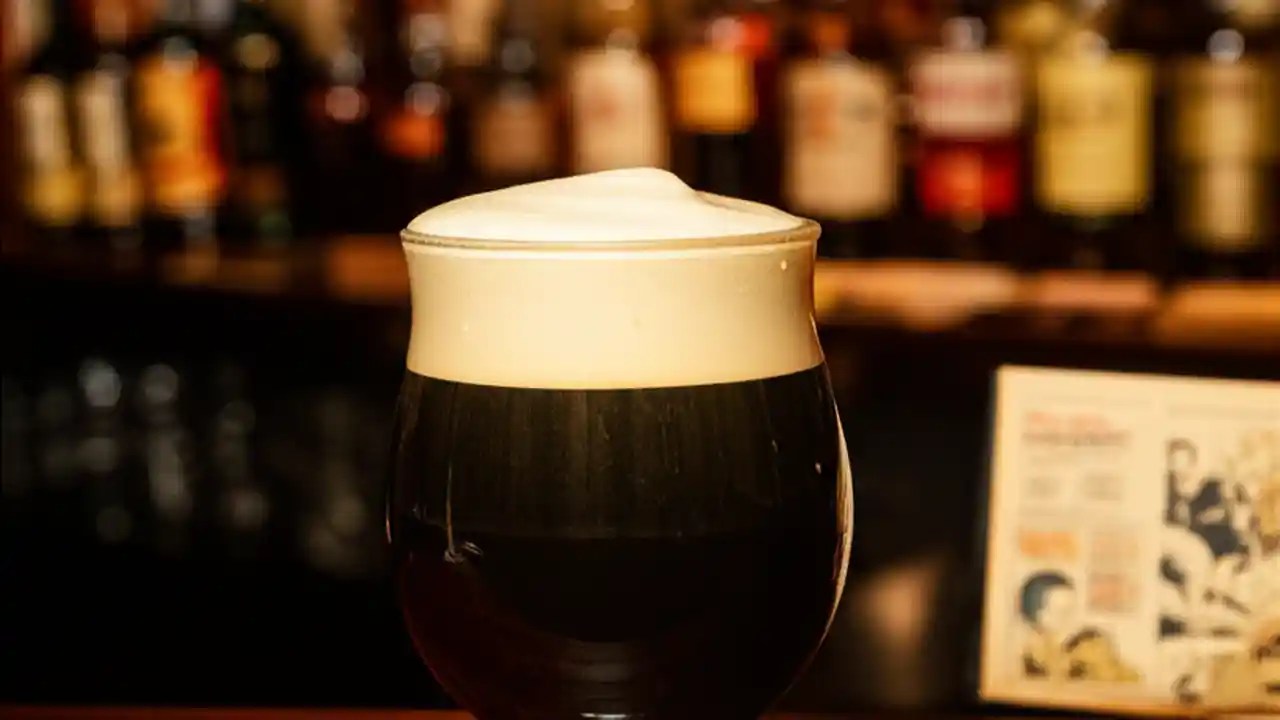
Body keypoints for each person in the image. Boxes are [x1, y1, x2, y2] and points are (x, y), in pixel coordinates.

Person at [1019, 571, 1078, 678]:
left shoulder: (1068, 653)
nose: (1071, 619)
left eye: (1072, 611)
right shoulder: (1029, 658)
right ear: (1038, 614)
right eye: (1063, 611)